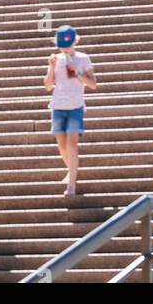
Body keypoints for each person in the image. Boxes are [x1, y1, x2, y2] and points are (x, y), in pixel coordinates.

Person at [44, 24, 98, 198]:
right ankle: (71, 170)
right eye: (61, 45)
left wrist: (78, 72)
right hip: (58, 105)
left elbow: (93, 84)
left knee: (72, 144)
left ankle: (71, 184)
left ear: (75, 41)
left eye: (67, 44)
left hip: (75, 105)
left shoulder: (83, 58)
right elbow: (47, 86)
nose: (64, 48)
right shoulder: (56, 59)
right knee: (61, 146)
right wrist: (51, 67)